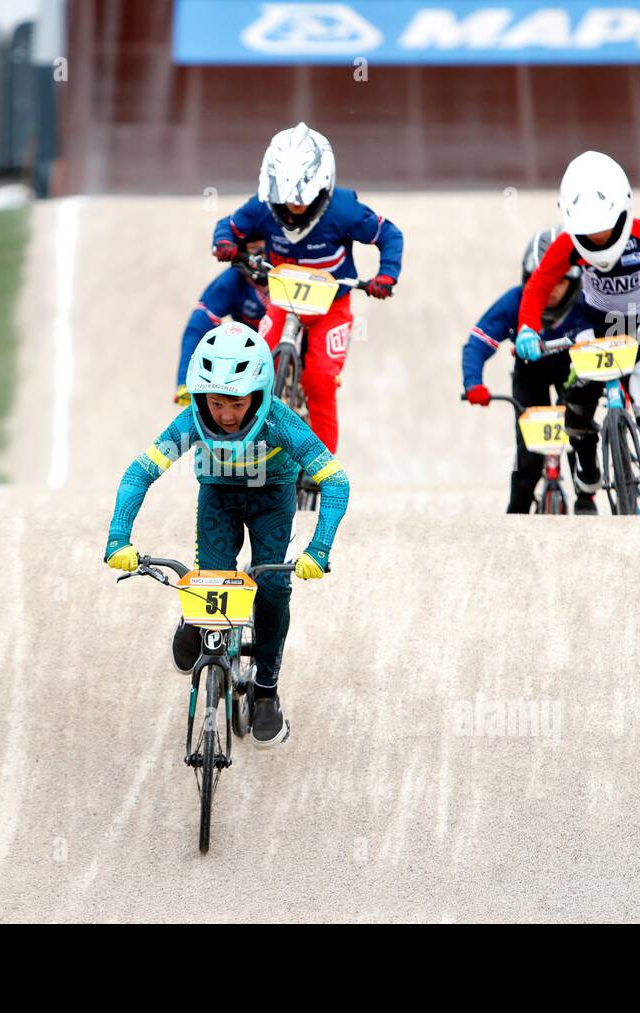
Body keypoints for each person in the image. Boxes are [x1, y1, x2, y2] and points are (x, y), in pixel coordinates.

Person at [104, 320, 350, 747]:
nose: (227, 415)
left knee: (273, 585)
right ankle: (194, 619)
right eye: (216, 403)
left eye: (237, 403)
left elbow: (335, 481)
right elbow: (139, 473)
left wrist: (319, 548)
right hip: (218, 497)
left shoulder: (281, 421)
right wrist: (118, 537)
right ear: (201, 397)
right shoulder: (192, 420)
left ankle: (267, 691)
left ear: (260, 394)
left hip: (273, 499)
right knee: (212, 581)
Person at [517, 151, 640, 516]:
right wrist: (526, 328)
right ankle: (587, 479)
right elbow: (539, 285)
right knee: (578, 407)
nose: (598, 238)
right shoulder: (568, 244)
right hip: (595, 326)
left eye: (604, 227)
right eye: (587, 232)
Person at [211, 122, 403, 454]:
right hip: (282, 301)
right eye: (284, 202)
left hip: (332, 307)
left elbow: (390, 235)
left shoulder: (344, 209)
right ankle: (244, 446)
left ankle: (322, 466)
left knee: (320, 380)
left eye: (301, 201)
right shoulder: (261, 206)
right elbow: (226, 226)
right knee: (256, 365)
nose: (292, 210)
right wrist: (224, 243)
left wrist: (386, 275)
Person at [462, 228, 592, 513]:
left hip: (573, 375)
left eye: (561, 282)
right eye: (544, 282)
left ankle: (586, 504)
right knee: (528, 460)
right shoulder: (515, 300)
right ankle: (516, 518)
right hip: (530, 375)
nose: (552, 290)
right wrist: (474, 384)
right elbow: (477, 343)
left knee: (580, 440)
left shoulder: (587, 301)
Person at [173, 238, 270, 404]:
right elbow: (198, 325)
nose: (260, 255)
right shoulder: (232, 280)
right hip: (252, 353)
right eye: (254, 247)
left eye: (265, 246)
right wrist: (184, 382)